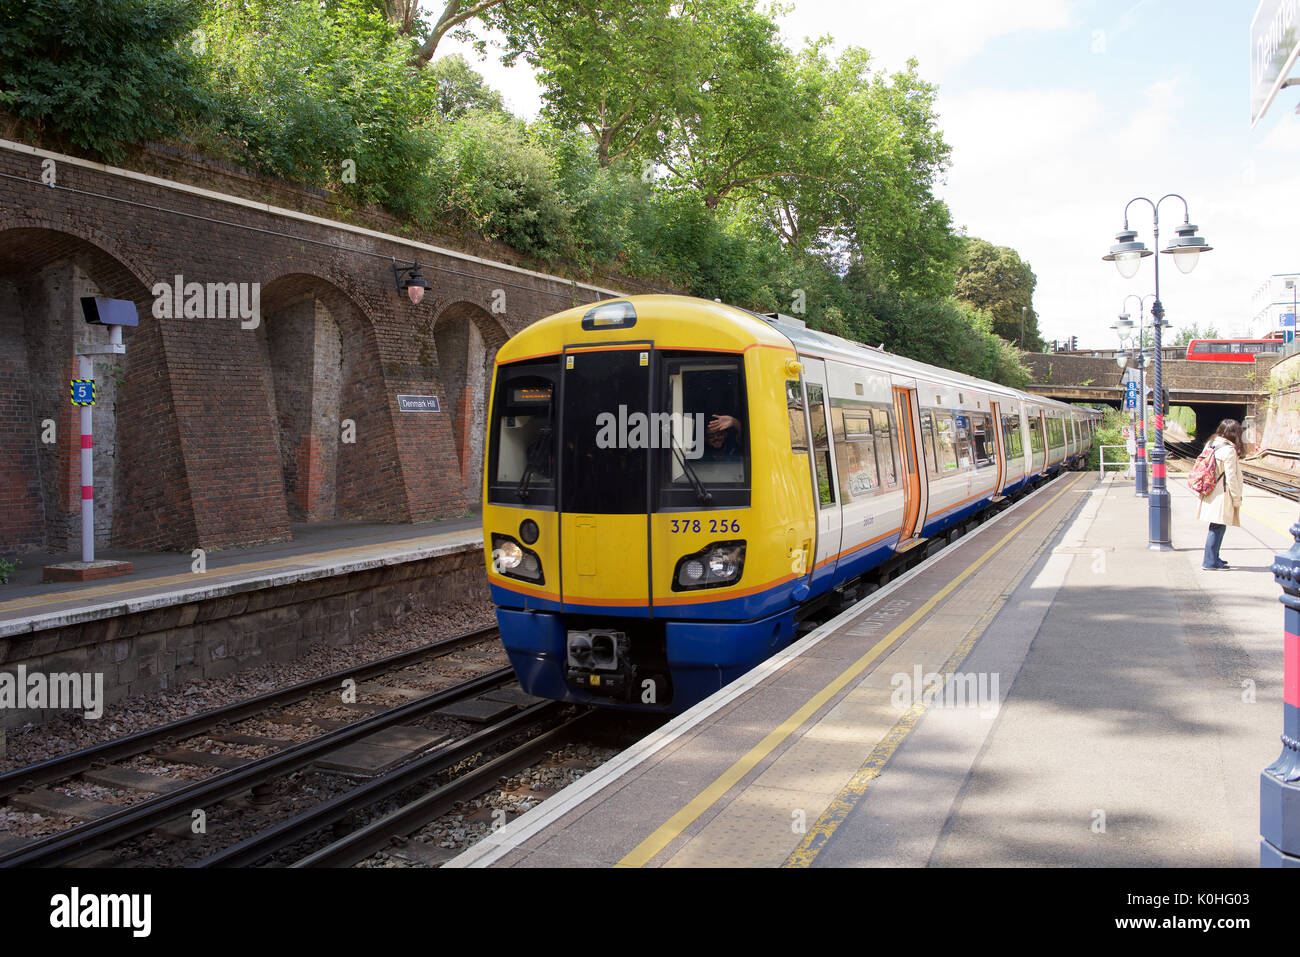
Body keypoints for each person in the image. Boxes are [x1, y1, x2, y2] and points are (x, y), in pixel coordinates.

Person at [1197, 419, 1245, 570]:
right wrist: (1237, 498)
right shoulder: (1229, 450)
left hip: (1210, 491)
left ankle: (1214, 557)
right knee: (1217, 527)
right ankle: (1210, 561)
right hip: (1221, 493)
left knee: (1217, 526)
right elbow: (1231, 477)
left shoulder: (1211, 444)